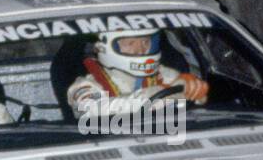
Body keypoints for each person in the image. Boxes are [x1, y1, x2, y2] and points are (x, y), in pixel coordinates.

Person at [67, 29, 208, 117]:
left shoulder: (162, 72)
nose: (140, 50)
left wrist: (193, 87)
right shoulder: (84, 85)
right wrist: (152, 97)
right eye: (130, 43)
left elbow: (199, 103)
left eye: (145, 42)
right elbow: (93, 109)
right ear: (103, 48)